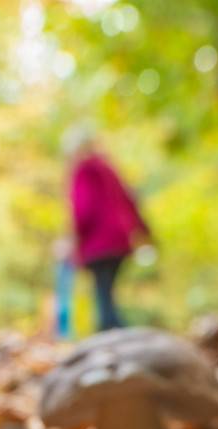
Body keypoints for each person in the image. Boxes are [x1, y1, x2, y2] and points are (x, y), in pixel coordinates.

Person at [65, 127, 150, 331]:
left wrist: (74, 241)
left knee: (104, 295)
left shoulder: (83, 170)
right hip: (120, 239)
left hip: (98, 244)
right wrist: (144, 230)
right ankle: (117, 334)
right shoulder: (108, 168)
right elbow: (130, 200)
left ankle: (112, 338)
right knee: (107, 292)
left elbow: (83, 211)